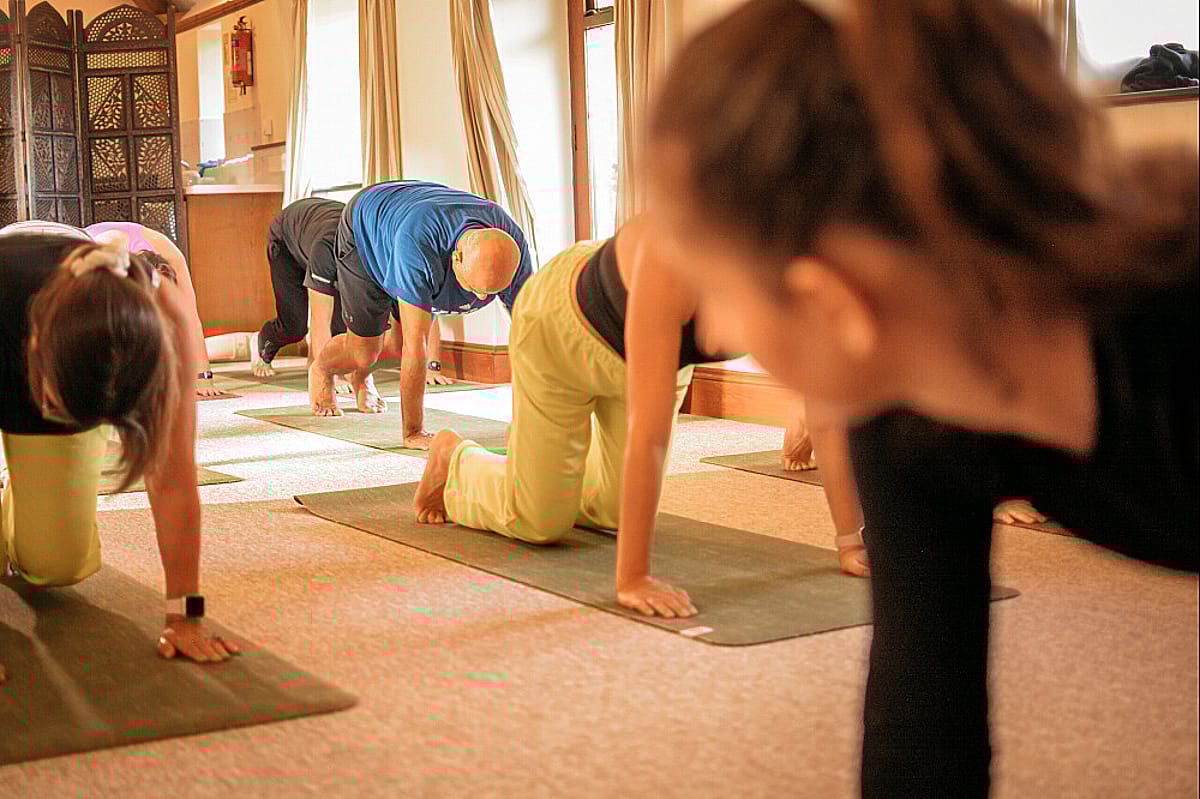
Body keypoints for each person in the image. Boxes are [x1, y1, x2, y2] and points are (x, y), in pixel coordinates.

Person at [645, 0, 1197, 795]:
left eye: (722, 289)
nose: (720, 323)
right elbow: (922, 735)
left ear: (836, 305)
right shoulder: (908, 413)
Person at [413, 217, 737, 618]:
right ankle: (457, 460)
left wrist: (843, 540)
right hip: (560, 327)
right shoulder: (677, 259)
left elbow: (829, 407)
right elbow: (647, 438)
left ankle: (548, 481)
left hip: (648, 348)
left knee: (619, 512)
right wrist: (633, 579)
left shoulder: (815, 279)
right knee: (538, 522)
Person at [1, 231, 239, 683]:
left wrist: (183, 616)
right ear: (36, 347)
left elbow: (173, 480)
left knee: (57, 565)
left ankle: (20, 494)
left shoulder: (161, 323)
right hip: (10, 299)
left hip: (69, 343)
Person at [309, 181, 532, 449]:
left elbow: (533, 339)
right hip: (365, 229)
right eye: (476, 289)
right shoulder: (420, 245)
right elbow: (417, 346)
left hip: (410, 213)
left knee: (393, 347)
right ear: (457, 258)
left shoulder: (512, 245)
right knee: (366, 352)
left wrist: (531, 422)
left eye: (493, 292)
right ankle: (322, 368)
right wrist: (414, 432)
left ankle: (362, 376)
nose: (482, 299)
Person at [251, 198, 456, 392]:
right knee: (294, 326)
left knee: (344, 326)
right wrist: (330, 374)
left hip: (329, 238)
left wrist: (432, 366)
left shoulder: (392, 257)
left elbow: (426, 311)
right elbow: (319, 321)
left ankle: (318, 361)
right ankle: (263, 343)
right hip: (287, 238)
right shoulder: (327, 249)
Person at [84, 221, 224, 399]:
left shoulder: (175, 259)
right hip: (82, 251)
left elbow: (191, 318)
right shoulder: (109, 249)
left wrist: (204, 377)